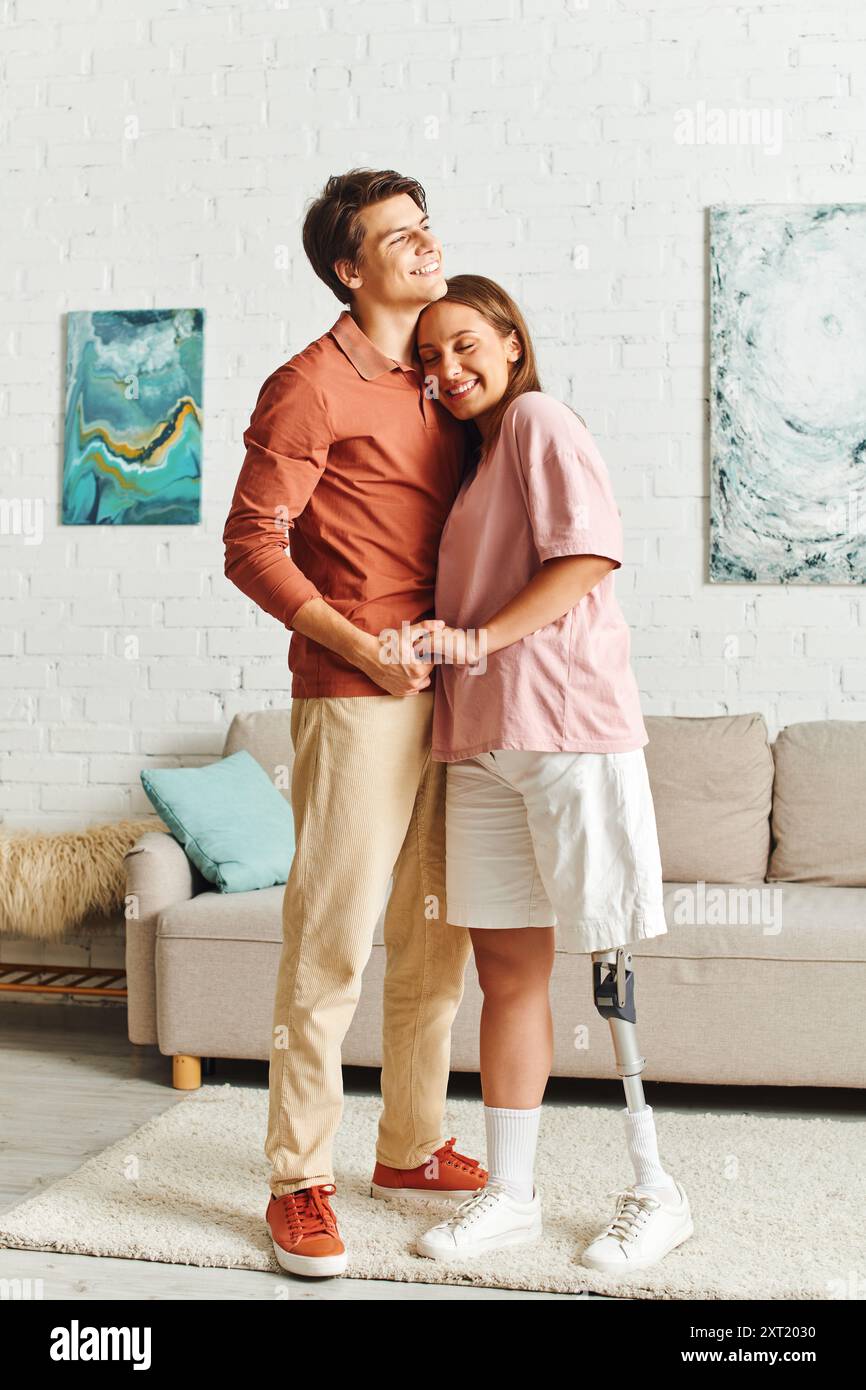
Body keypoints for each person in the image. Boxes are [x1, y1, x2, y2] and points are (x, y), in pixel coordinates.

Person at [397, 274, 693, 1272]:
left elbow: (588, 558)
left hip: (565, 726)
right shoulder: (474, 466)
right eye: (429, 357)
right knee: (506, 975)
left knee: (605, 959)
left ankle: (655, 1188)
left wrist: (474, 638)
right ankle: (510, 1194)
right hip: (480, 744)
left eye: (465, 343)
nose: (447, 368)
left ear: (511, 342)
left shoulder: (536, 419)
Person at [222, 172, 487, 1280]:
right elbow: (251, 543)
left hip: (454, 692)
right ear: (348, 268)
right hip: (352, 697)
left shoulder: (444, 373)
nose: (427, 246)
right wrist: (351, 641)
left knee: (439, 934)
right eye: (399, 236)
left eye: (429, 227)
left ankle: (410, 1146)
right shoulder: (308, 385)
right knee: (330, 942)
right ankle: (298, 1180)